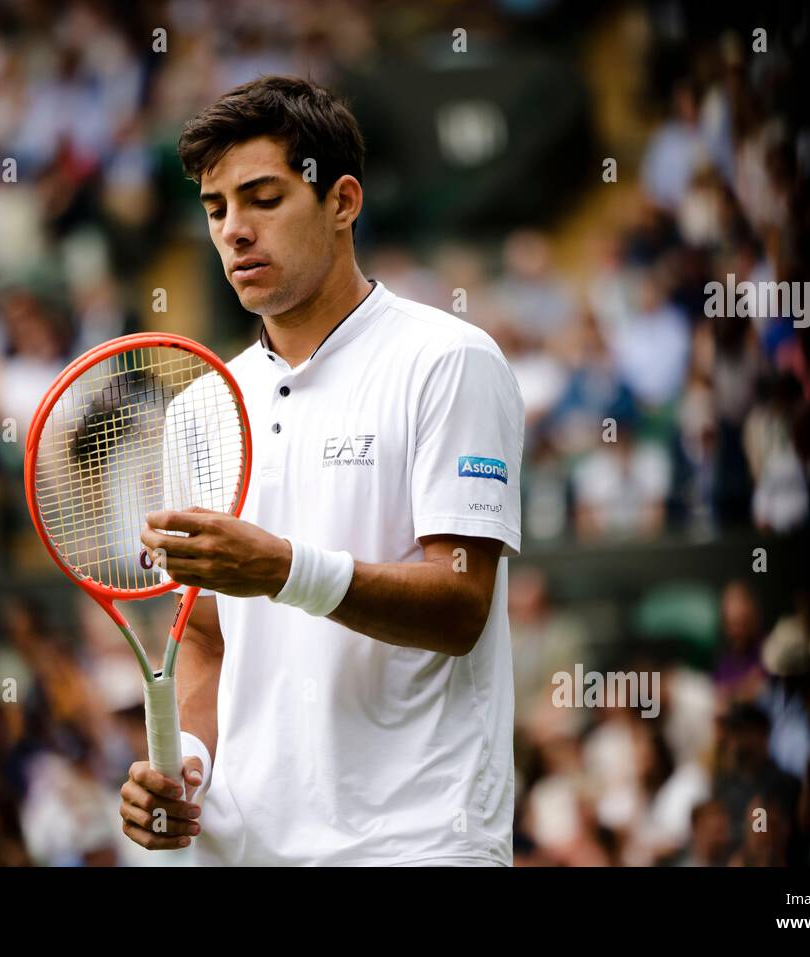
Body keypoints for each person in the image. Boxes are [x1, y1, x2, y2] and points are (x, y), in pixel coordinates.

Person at [118, 75, 526, 865]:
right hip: (241, 850)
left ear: (342, 201)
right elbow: (202, 639)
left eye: (263, 198)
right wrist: (188, 769)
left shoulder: (449, 361)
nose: (234, 230)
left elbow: (459, 604)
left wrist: (281, 568)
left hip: (419, 843)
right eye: (215, 209)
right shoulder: (201, 409)